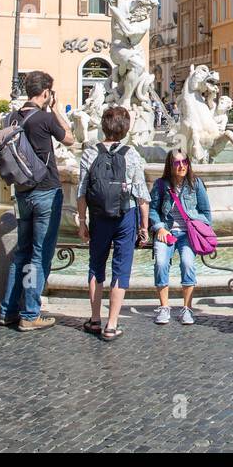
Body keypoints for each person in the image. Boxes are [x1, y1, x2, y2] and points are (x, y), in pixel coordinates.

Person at [0, 70, 76, 331]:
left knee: (22, 251)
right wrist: (55, 110)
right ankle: (30, 313)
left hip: (21, 192)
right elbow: (70, 139)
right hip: (45, 192)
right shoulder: (43, 118)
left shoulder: (11, 117)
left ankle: (7, 310)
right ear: (46, 92)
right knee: (39, 255)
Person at [76, 106, 150, 341]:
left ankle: (95, 319)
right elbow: (142, 195)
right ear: (126, 129)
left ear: (102, 127)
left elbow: (81, 192)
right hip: (125, 216)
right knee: (121, 268)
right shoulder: (132, 155)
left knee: (95, 266)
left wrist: (81, 221)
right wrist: (144, 227)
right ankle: (112, 324)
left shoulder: (89, 153)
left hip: (98, 217)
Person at [148, 148, 210, 325]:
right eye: (177, 162)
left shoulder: (195, 184)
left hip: (188, 234)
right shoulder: (161, 185)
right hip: (166, 232)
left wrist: (202, 230)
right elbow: (153, 210)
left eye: (184, 162)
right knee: (160, 263)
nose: (181, 166)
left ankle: (187, 309)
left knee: (188, 263)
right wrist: (159, 228)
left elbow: (206, 211)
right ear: (170, 165)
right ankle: (164, 307)